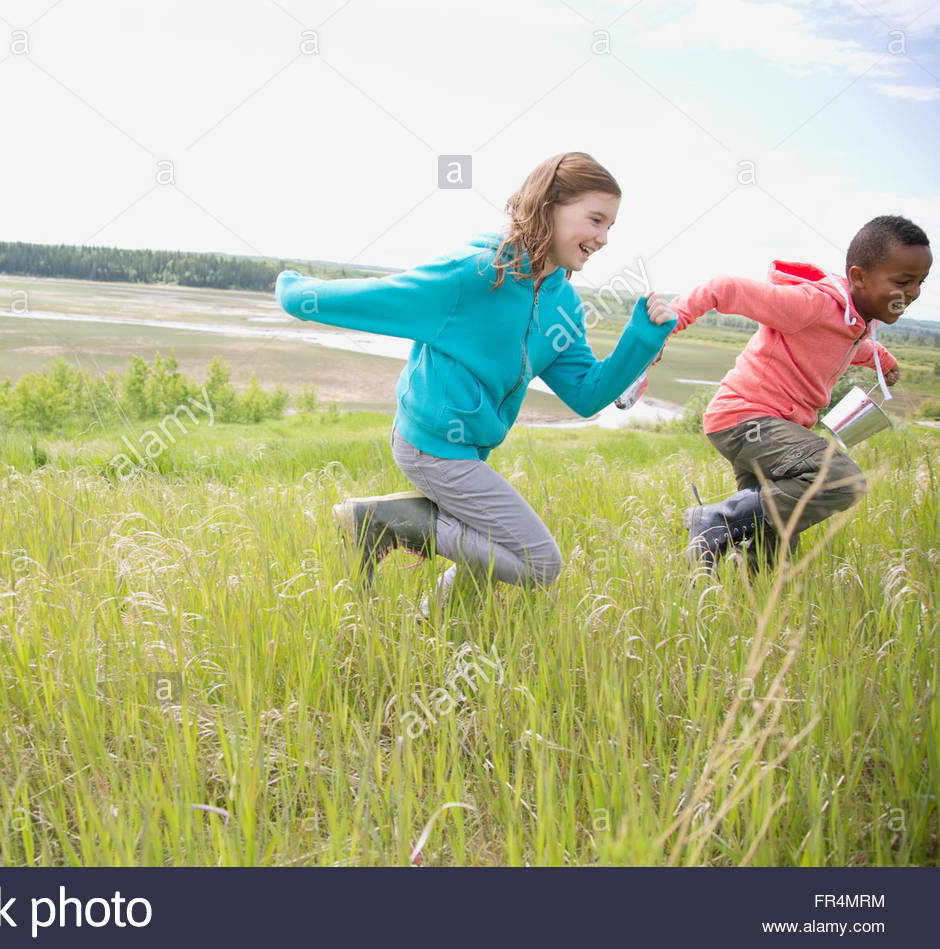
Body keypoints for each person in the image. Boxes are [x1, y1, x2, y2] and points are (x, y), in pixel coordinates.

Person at [274, 151, 676, 609]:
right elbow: (379, 296)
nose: (603, 239)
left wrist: (641, 338)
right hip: (431, 447)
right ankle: (385, 522)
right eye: (595, 220)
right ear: (550, 205)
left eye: (610, 228)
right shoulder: (475, 274)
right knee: (540, 563)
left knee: (490, 551)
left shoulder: (562, 304)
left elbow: (587, 394)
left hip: (469, 450)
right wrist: (293, 289)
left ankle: (433, 624)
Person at [668, 215, 929, 569]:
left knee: (771, 544)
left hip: (762, 426)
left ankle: (723, 595)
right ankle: (720, 519)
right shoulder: (813, 304)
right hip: (747, 420)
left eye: (920, 282)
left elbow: (852, 347)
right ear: (859, 277)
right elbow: (724, 288)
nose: (912, 292)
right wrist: (664, 329)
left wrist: (883, 360)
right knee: (841, 478)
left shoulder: (853, 324)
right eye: (903, 281)